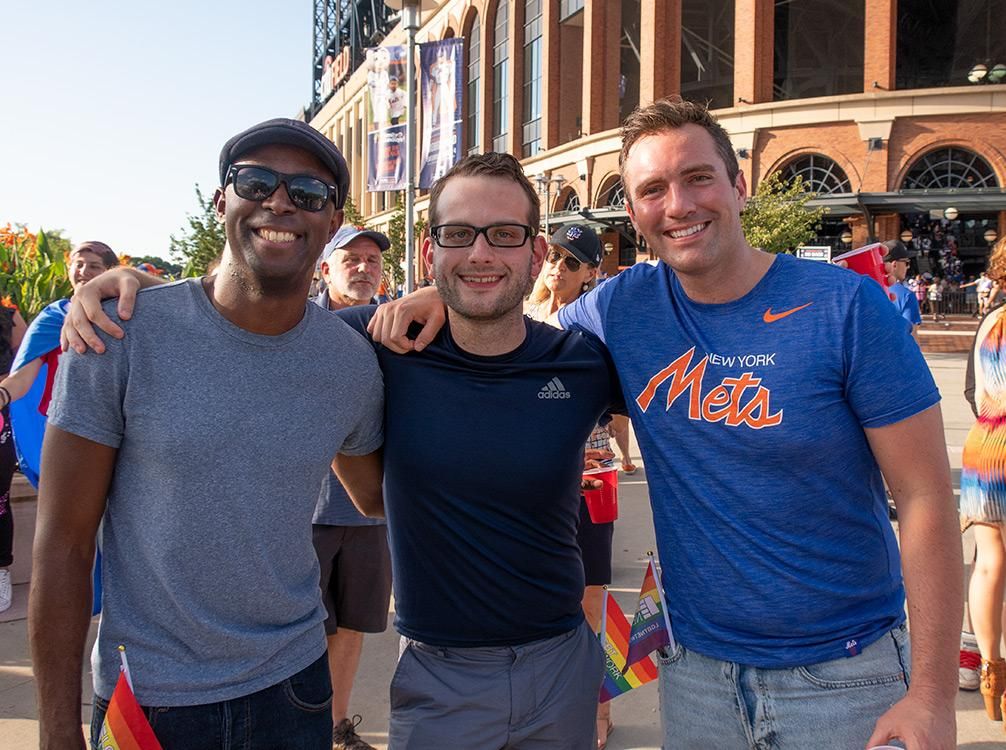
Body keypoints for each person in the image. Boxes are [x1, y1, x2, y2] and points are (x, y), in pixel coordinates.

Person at [365, 98, 962, 749]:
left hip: (846, 677)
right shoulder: (621, 309)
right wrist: (444, 292)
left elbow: (927, 497)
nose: (678, 205)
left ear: (738, 187)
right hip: (699, 678)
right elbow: (515, 341)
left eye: (698, 178)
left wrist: (931, 696)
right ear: (634, 213)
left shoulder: (844, 307)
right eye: (653, 189)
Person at [64, 153, 624, 750]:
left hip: (563, 664)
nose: (481, 253)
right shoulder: (376, 340)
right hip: (442, 677)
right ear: (431, 255)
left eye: (504, 235)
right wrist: (139, 289)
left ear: (535, 254)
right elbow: (246, 311)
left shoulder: (583, 362)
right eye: (459, 234)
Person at [31, 118, 384, 750]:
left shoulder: (350, 363)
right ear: (222, 200)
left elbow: (377, 495)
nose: (280, 201)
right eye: (256, 181)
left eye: (308, 191)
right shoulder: (119, 333)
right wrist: (57, 729)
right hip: (147, 703)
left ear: (332, 224)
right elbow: (62, 540)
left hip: (294, 691)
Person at [525, 222, 618, 747]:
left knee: (590, 604)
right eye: (553, 255)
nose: (558, 266)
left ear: (590, 274)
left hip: (590, 480)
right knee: (538, 602)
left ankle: (599, 710)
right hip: (533, 485)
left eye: (572, 261)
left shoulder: (596, 328)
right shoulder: (515, 319)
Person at [313, 223, 393, 750]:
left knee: (352, 626)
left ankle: (336, 726)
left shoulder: (400, 323)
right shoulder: (294, 322)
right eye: (351, 259)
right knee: (301, 629)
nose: (363, 267)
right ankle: (301, 730)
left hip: (371, 511)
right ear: (324, 268)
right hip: (307, 510)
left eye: (372, 259)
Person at [960, 236, 1006, 725]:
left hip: (986, 442)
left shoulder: (991, 319)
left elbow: (974, 390)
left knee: (989, 561)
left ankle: (990, 671)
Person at [0, 301, 26, 613]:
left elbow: (25, 364)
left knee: (0, 499)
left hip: (2, 412)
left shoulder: (10, 314)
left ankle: (2, 569)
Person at [883, 239, 922, 337]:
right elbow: (911, 338)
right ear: (894, 264)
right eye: (906, 262)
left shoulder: (867, 290)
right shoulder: (907, 296)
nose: (907, 267)